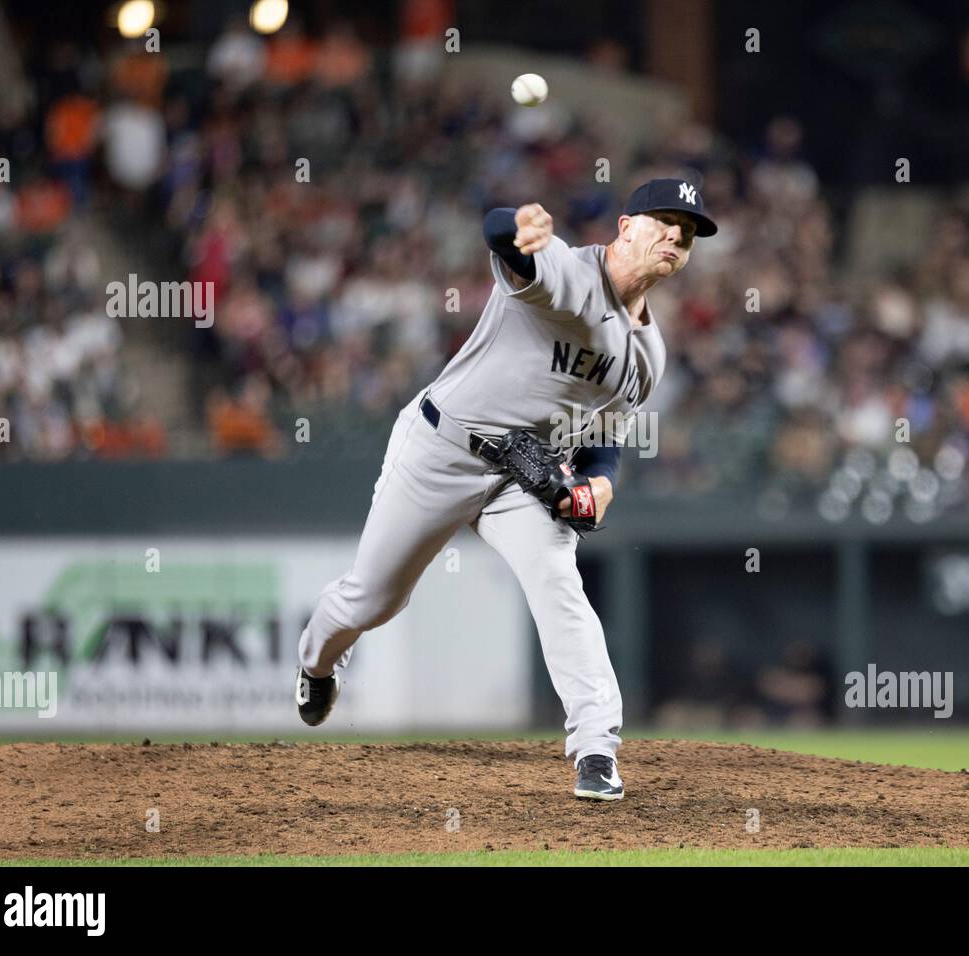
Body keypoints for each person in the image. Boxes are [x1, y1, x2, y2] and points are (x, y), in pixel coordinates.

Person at [294, 179, 717, 800]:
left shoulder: (648, 353)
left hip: (525, 477)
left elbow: (604, 436)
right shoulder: (569, 272)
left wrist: (601, 482)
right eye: (664, 220)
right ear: (626, 226)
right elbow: (501, 235)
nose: (677, 235)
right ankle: (317, 662)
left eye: (689, 231)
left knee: (558, 584)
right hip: (442, 448)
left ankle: (596, 747)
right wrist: (514, 224)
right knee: (373, 601)